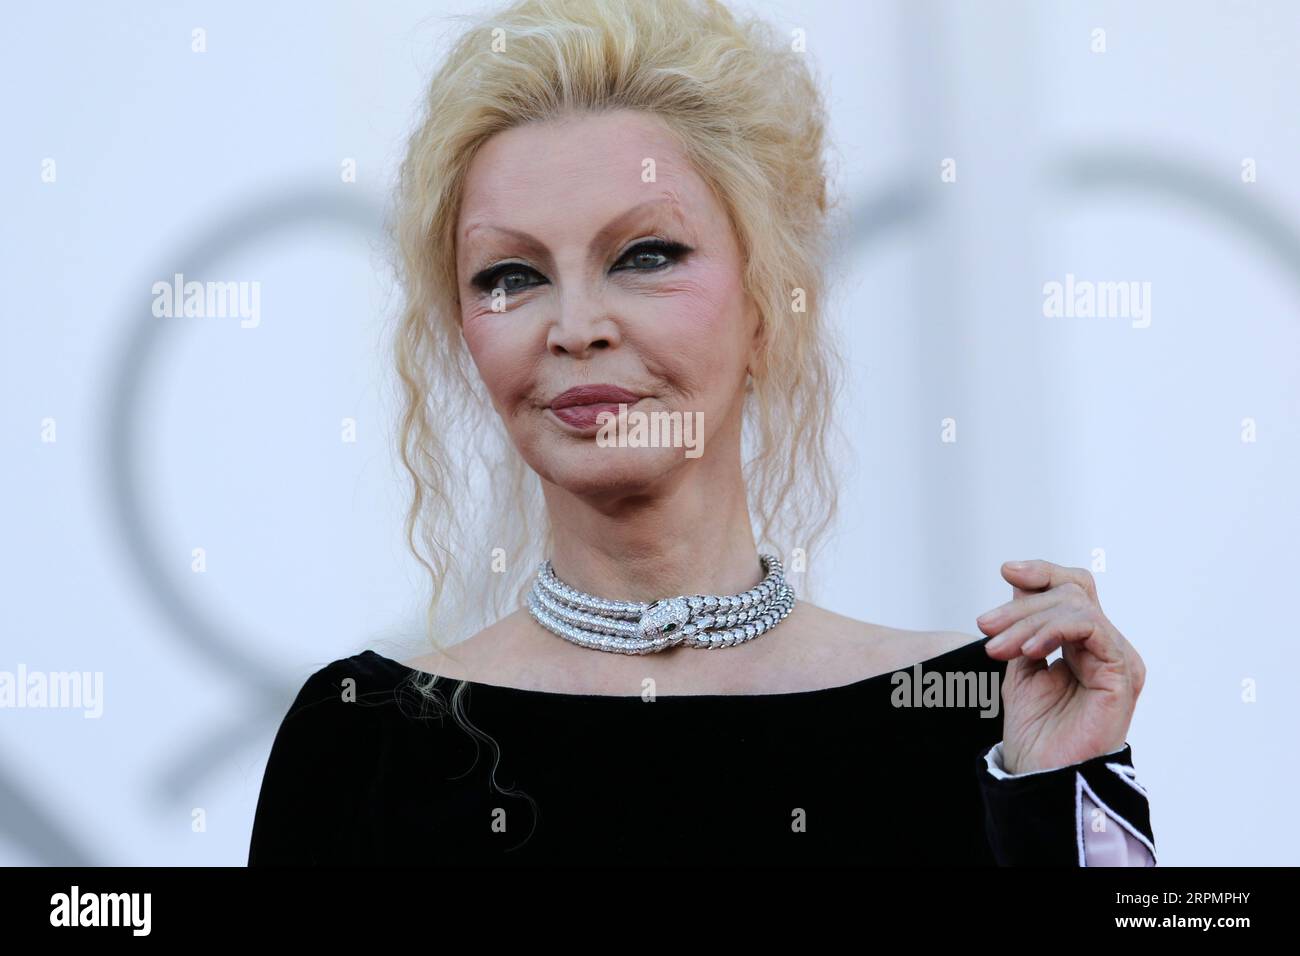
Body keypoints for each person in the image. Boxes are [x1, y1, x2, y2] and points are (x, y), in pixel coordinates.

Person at [249, 0, 1154, 866]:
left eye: (646, 256)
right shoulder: (361, 740)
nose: (575, 325)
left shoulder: (974, 717)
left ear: (768, 302)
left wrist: (1062, 797)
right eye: (512, 274)